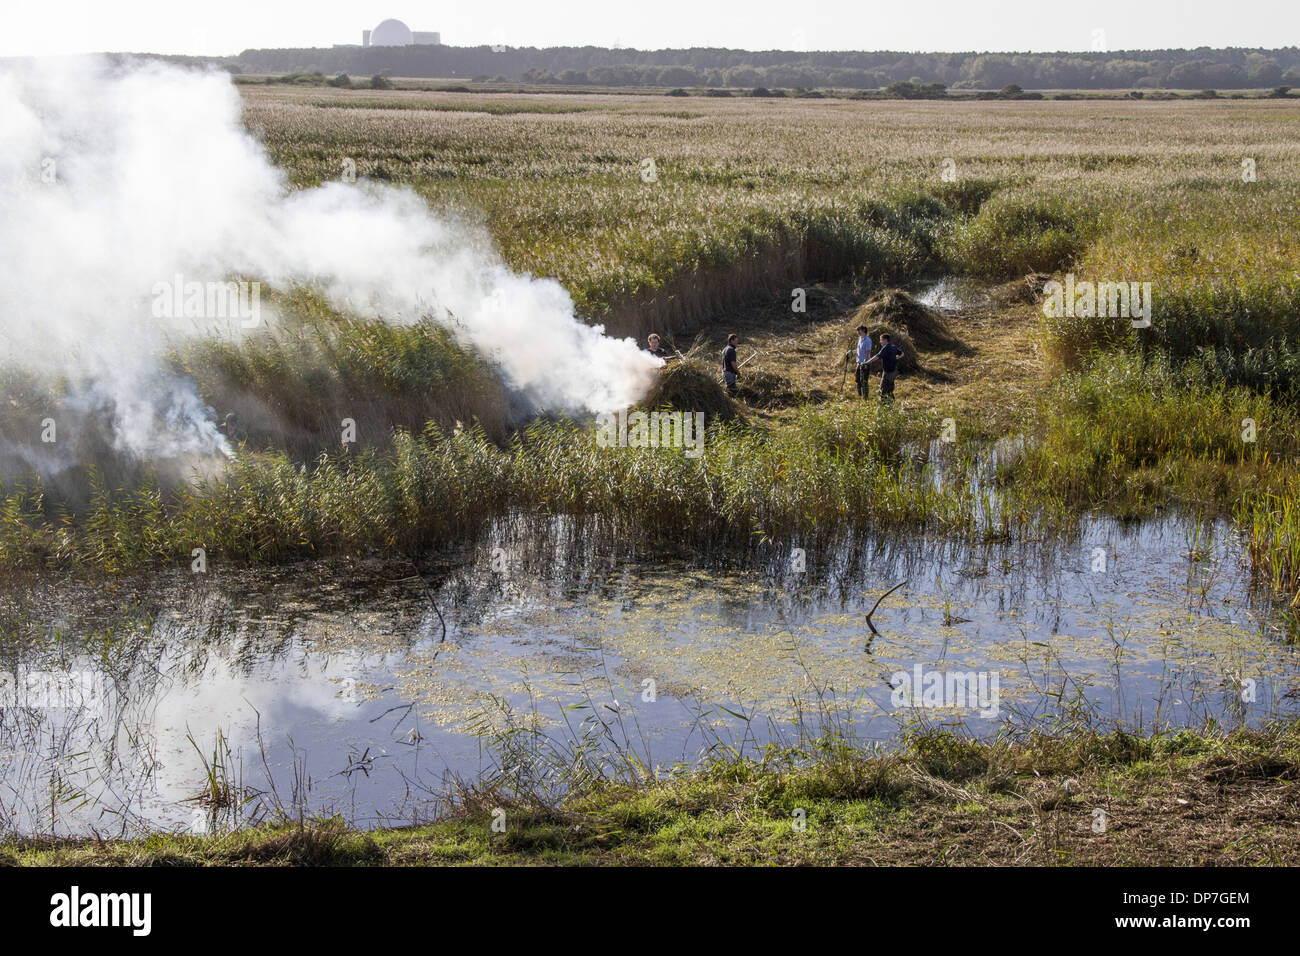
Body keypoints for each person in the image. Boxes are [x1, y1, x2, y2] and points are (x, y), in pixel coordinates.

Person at [866, 333, 904, 401]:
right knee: (890, 386)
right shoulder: (893, 346)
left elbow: (877, 356)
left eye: (881, 340)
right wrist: (897, 357)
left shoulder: (886, 348)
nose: (880, 342)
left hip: (888, 371)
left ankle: (883, 404)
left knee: (883, 388)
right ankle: (891, 402)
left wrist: (867, 362)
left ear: (885, 340)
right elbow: (902, 353)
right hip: (893, 370)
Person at [852, 324, 873, 399]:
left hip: (865, 363)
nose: (858, 332)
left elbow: (868, 351)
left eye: (859, 330)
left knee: (864, 380)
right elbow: (858, 349)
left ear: (863, 331)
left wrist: (865, 361)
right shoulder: (860, 339)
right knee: (857, 379)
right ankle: (860, 395)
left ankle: (865, 397)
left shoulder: (867, 340)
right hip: (859, 362)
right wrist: (852, 352)